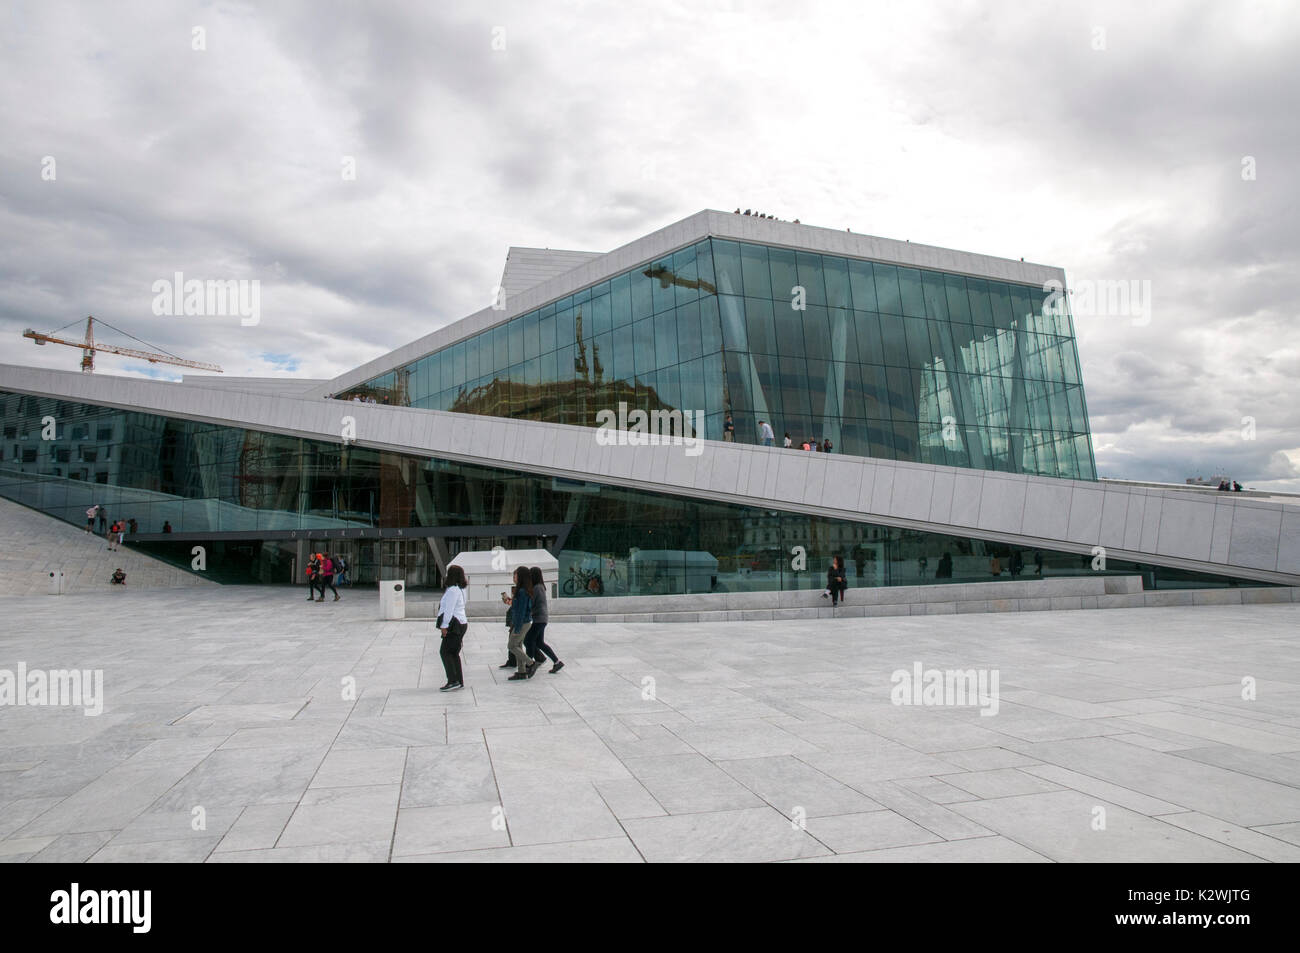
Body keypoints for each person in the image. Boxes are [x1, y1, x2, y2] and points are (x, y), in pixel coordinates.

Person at [523, 566, 563, 675]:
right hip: (541, 619)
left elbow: (533, 603)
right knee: (539, 642)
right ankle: (556, 662)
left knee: (528, 640)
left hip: (539, 619)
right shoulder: (540, 587)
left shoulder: (537, 588)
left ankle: (530, 665)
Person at [437, 565, 469, 691]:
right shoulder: (460, 589)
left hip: (454, 624)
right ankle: (458, 680)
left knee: (445, 652)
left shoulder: (452, 591)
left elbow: (449, 610)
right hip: (461, 623)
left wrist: (444, 626)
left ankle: (453, 680)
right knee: (453, 653)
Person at [503, 566, 533, 681]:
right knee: (518, 645)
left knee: (511, 645)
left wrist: (516, 627)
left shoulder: (521, 591)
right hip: (522, 622)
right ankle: (521, 671)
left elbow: (521, 611)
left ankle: (531, 663)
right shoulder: (522, 590)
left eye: (515, 575)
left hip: (522, 622)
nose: (514, 577)